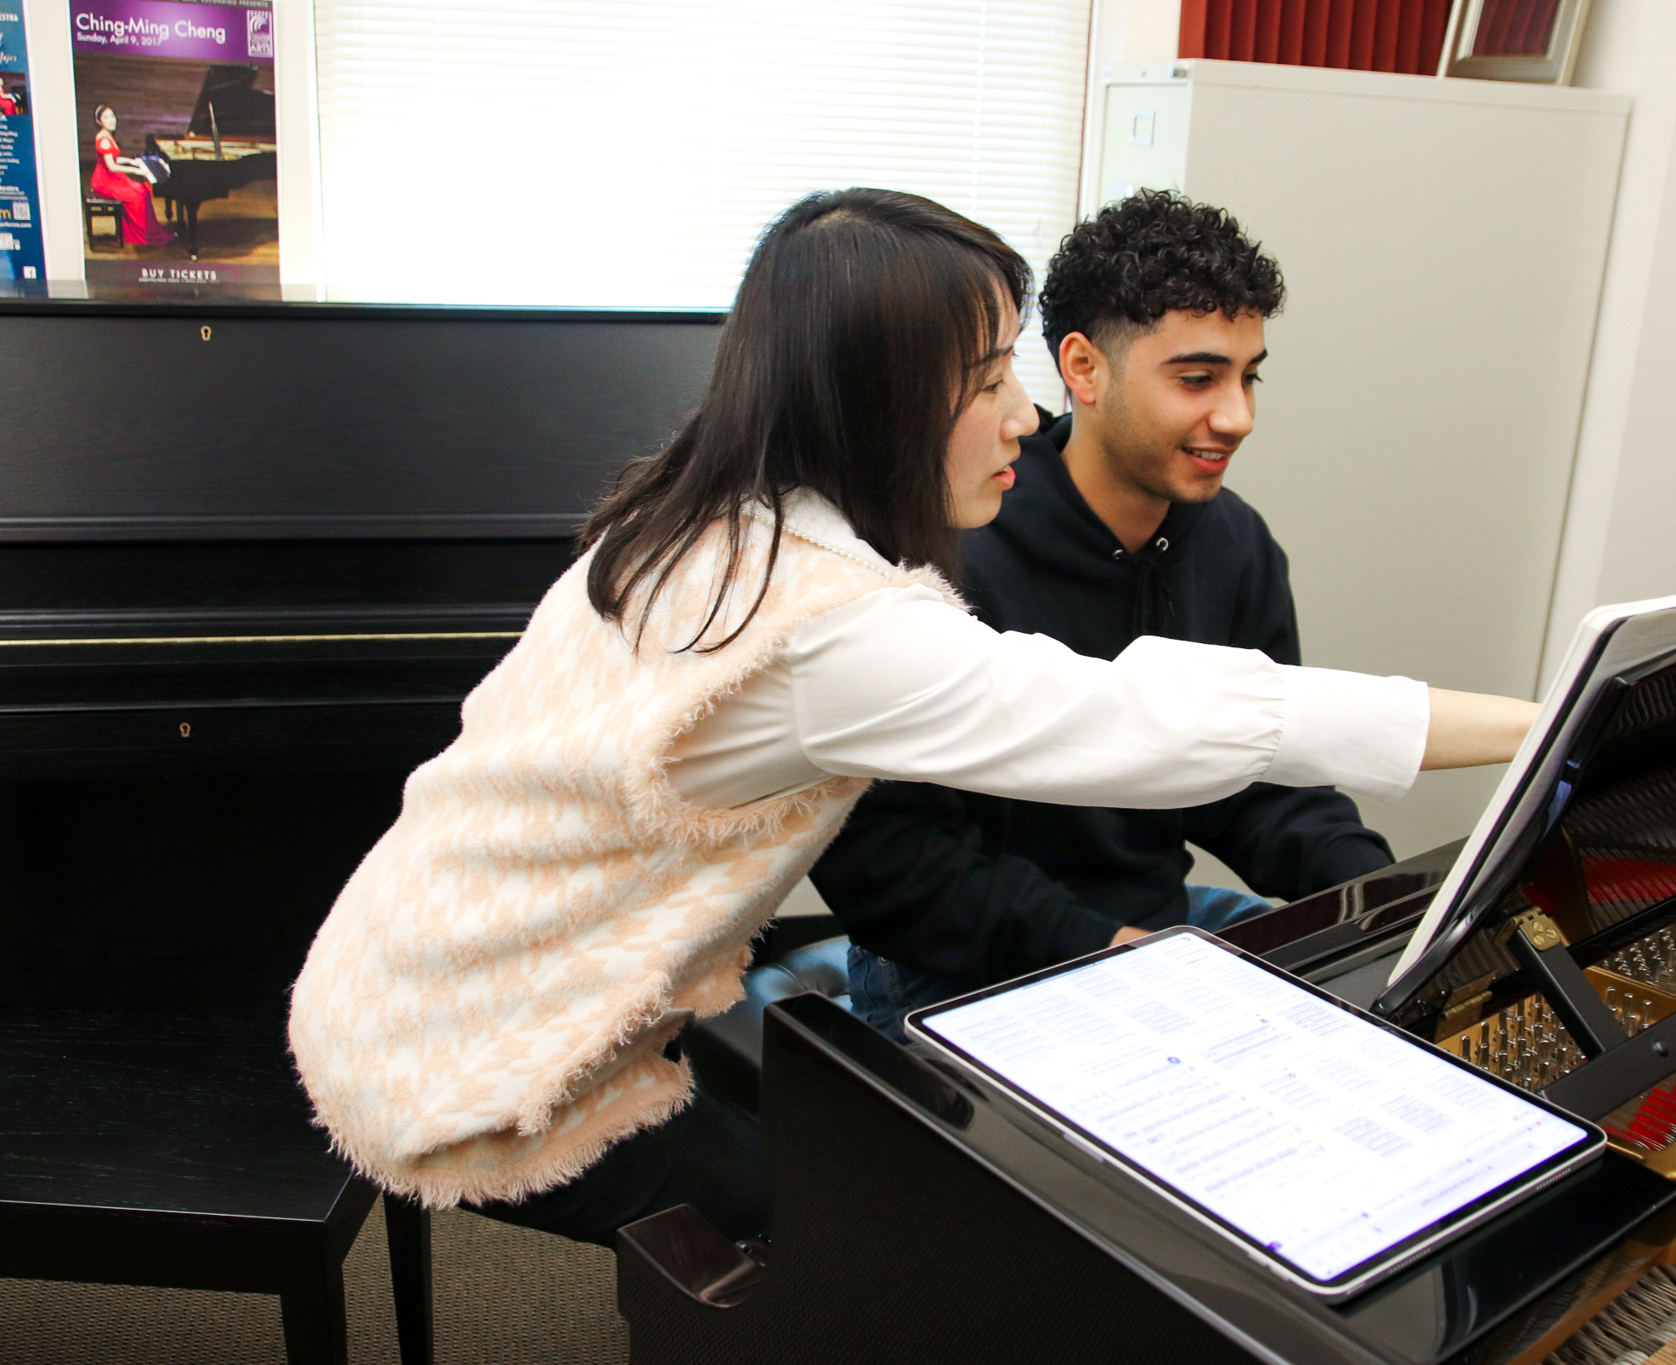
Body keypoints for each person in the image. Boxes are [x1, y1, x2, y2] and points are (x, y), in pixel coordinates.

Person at [286, 188, 1538, 1250]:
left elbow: (1234, 765)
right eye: (989, 378)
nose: (1025, 414)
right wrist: (1540, 722)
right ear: (877, 396)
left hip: (403, 977)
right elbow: (1148, 720)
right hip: (464, 1052)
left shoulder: (699, 517)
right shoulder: (835, 625)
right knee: (868, 1256)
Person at [818, 190, 1407, 1037]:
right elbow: (898, 863)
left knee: (1387, 1006)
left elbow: (1263, 779)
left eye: (1249, 376)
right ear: (1084, 369)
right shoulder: (946, 545)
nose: (1238, 416)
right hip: (961, 964)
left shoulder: (1236, 543)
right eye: (1198, 379)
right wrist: (1115, 953)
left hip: (1152, 921)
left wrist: (1387, 903)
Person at [88, 106, 173, 248]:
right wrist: (135, 170)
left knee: (142, 189)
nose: (111, 120)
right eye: (106, 118)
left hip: (109, 177)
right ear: (99, 121)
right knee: (139, 193)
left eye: (112, 116)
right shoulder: (104, 140)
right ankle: (145, 234)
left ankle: (145, 230)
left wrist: (131, 161)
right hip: (105, 181)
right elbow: (112, 166)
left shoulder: (107, 135)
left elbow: (113, 158)